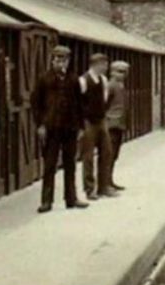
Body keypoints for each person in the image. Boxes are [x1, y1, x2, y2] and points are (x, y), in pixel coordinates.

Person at [30, 45, 89, 213]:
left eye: (63, 60)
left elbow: (79, 104)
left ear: (68, 61)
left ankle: (71, 199)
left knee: (70, 164)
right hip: (51, 128)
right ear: (52, 60)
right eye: (57, 59)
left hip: (70, 127)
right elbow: (36, 104)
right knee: (50, 165)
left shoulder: (73, 79)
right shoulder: (44, 79)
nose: (60, 63)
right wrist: (40, 125)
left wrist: (80, 127)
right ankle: (46, 201)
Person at [79, 52, 118, 200]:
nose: (106, 67)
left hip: (101, 121)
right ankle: (89, 189)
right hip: (88, 122)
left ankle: (103, 186)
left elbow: (105, 99)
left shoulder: (104, 80)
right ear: (96, 64)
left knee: (106, 152)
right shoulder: (83, 81)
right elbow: (78, 103)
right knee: (88, 156)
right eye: (104, 64)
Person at [106, 60, 130, 191]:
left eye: (125, 72)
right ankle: (105, 183)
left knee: (114, 155)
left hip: (119, 124)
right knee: (108, 155)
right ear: (112, 72)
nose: (123, 75)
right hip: (111, 125)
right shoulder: (110, 86)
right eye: (120, 71)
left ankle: (109, 181)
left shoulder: (121, 86)